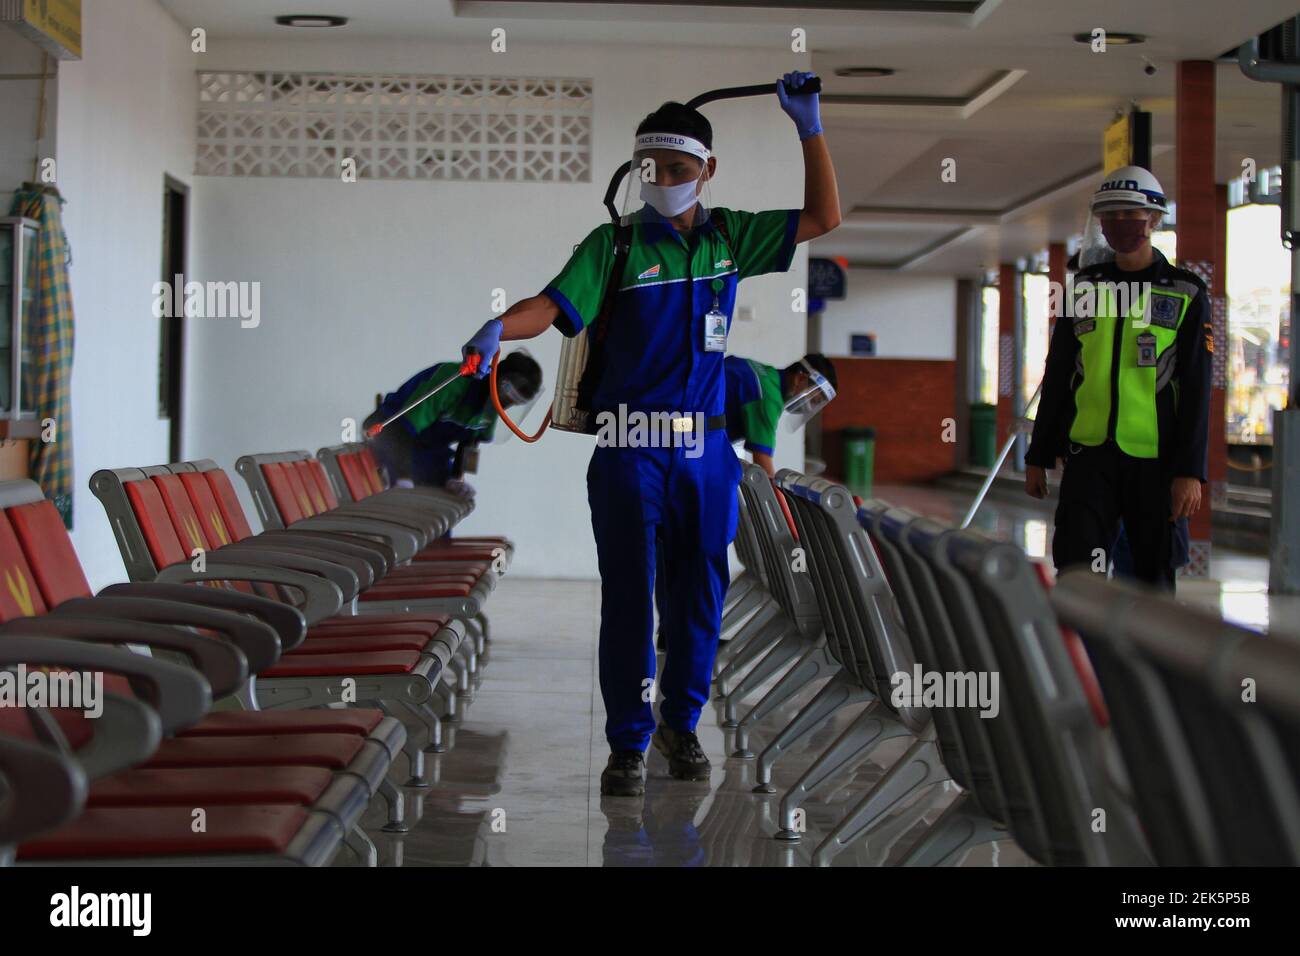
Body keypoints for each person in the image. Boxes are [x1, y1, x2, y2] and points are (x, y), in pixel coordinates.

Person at [460, 72, 840, 795]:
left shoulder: (731, 237)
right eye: (652, 169)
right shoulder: (613, 246)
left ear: (707, 171)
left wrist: (809, 127)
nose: (664, 180)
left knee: (698, 598)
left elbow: (825, 216)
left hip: (705, 454)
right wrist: (499, 328)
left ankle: (681, 728)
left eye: (679, 169)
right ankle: (628, 743)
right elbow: (551, 305)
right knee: (630, 600)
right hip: (628, 452)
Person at [1025, 165, 1212, 592]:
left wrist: (1191, 472)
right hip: (1089, 459)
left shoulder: (1185, 292)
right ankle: (1086, 657)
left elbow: (1198, 390)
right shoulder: (1086, 289)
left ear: (1153, 219)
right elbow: (1058, 375)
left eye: (1130, 214)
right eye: (1110, 215)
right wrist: (1038, 454)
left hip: (1156, 462)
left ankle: (1147, 658)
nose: (1119, 224)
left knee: (1151, 578)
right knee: (1078, 569)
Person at [363, 351, 542, 491]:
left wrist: (456, 479)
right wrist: (403, 477)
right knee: (408, 512)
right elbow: (404, 427)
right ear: (496, 376)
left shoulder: (492, 407)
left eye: (517, 401)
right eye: (508, 391)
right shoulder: (454, 382)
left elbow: (470, 443)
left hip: (428, 451)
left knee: (440, 512)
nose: (508, 402)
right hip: (392, 433)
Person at [723, 353, 838, 477]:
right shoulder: (768, 397)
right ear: (799, 379)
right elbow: (764, 469)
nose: (809, 408)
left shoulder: (767, 374)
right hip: (700, 429)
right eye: (813, 401)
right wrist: (779, 495)